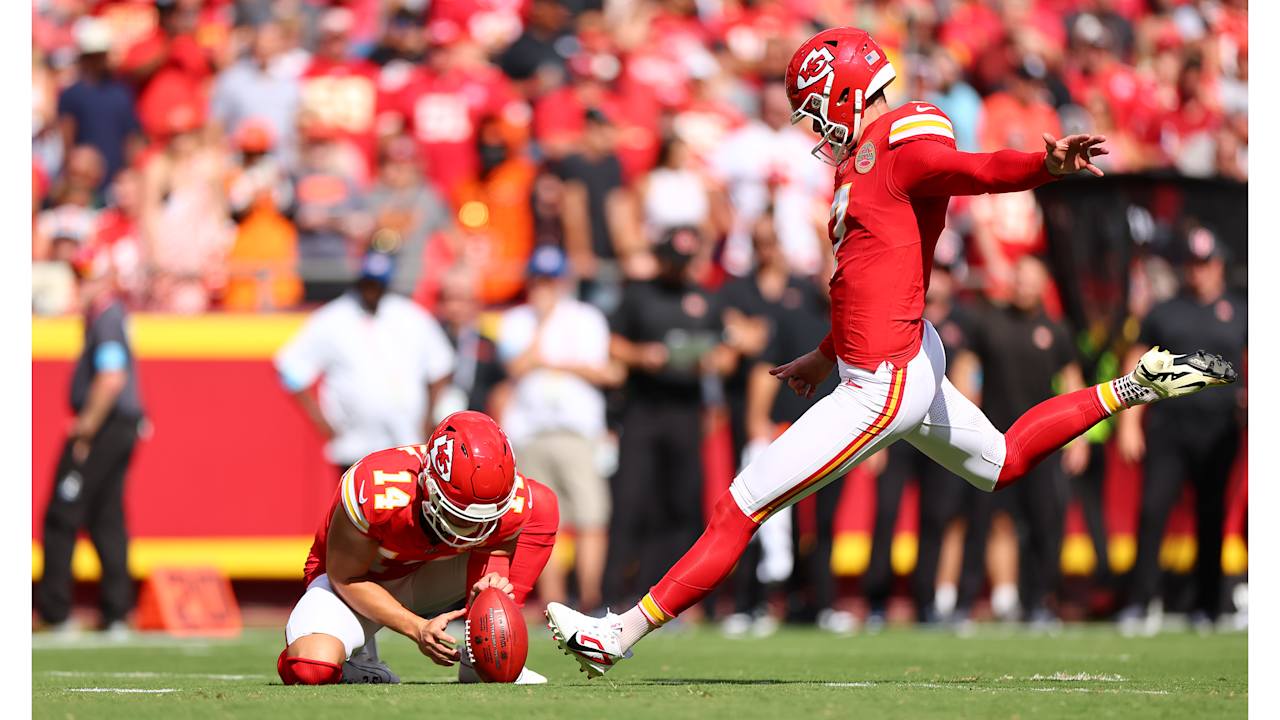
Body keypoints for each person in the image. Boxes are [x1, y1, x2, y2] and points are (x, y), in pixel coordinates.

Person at [546, 27, 1236, 677]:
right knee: (1002, 462)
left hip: (884, 380)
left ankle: (619, 634)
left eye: (816, 110)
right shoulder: (863, 162)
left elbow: (971, 168)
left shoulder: (904, 140)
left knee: (741, 504)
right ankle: (1136, 385)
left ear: (843, 93)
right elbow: (864, 276)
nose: (815, 127)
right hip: (896, 354)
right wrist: (823, 354)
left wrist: (1040, 165)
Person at [278, 412, 558, 685]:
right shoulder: (378, 488)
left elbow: (495, 547)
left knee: (542, 504)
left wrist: (488, 594)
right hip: (360, 581)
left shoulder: (513, 499)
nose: (472, 529)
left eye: (485, 517)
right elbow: (345, 577)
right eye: (458, 514)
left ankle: (485, 656)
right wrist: (417, 627)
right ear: (427, 482)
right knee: (311, 668)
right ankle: (357, 659)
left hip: (431, 575)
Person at [1115, 226, 1247, 634]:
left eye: (1205, 264)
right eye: (1192, 264)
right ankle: (1140, 601)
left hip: (1218, 429)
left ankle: (1208, 606)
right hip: (1170, 426)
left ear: (1219, 266)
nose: (1199, 272)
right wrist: (1129, 420)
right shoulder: (1164, 311)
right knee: (1153, 510)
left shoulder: (1241, 310)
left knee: (1211, 516)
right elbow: (1136, 363)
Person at [949, 256, 1088, 627]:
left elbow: (1072, 381)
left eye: (1031, 279)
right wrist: (964, 416)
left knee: (1045, 522)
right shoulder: (988, 322)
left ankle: (1039, 603)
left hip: (1041, 445)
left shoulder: (1056, 330)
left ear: (1043, 285)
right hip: (991, 439)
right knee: (978, 522)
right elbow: (965, 368)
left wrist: (1079, 440)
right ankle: (964, 603)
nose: (1023, 285)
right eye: (1019, 277)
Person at [603, 226, 735, 606]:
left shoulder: (705, 300)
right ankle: (612, 595)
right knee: (631, 502)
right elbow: (613, 342)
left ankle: (663, 598)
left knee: (680, 504)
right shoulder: (639, 295)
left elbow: (726, 352)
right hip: (643, 409)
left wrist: (712, 361)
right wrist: (642, 356)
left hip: (686, 410)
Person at [498, 246, 618, 612]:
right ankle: (554, 602)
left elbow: (600, 370)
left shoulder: (586, 317)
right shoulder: (518, 320)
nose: (545, 287)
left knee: (590, 516)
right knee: (543, 523)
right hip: (532, 431)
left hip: (576, 430)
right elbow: (517, 366)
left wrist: (555, 361)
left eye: (551, 280)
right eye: (540, 279)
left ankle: (589, 598)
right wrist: (543, 325)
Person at [35, 248, 145, 634]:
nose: (76, 285)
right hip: (120, 426)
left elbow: (111, 377)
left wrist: (85, 429)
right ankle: (116, 612)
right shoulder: (106, 317)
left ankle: (56, 612)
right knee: (106, 516)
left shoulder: (106, 317)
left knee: (62, 515)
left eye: (83, 276)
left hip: (104, 427)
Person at [275, 251, 456, 478]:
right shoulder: (332, 318)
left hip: (407, 443)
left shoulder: (409, 315)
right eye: (367, 283)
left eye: (377, 285)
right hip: (355, 447)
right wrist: (323, 423)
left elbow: (441, 365)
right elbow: (290, 367)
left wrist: (429, 419)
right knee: (358, 510)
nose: (371, 291)